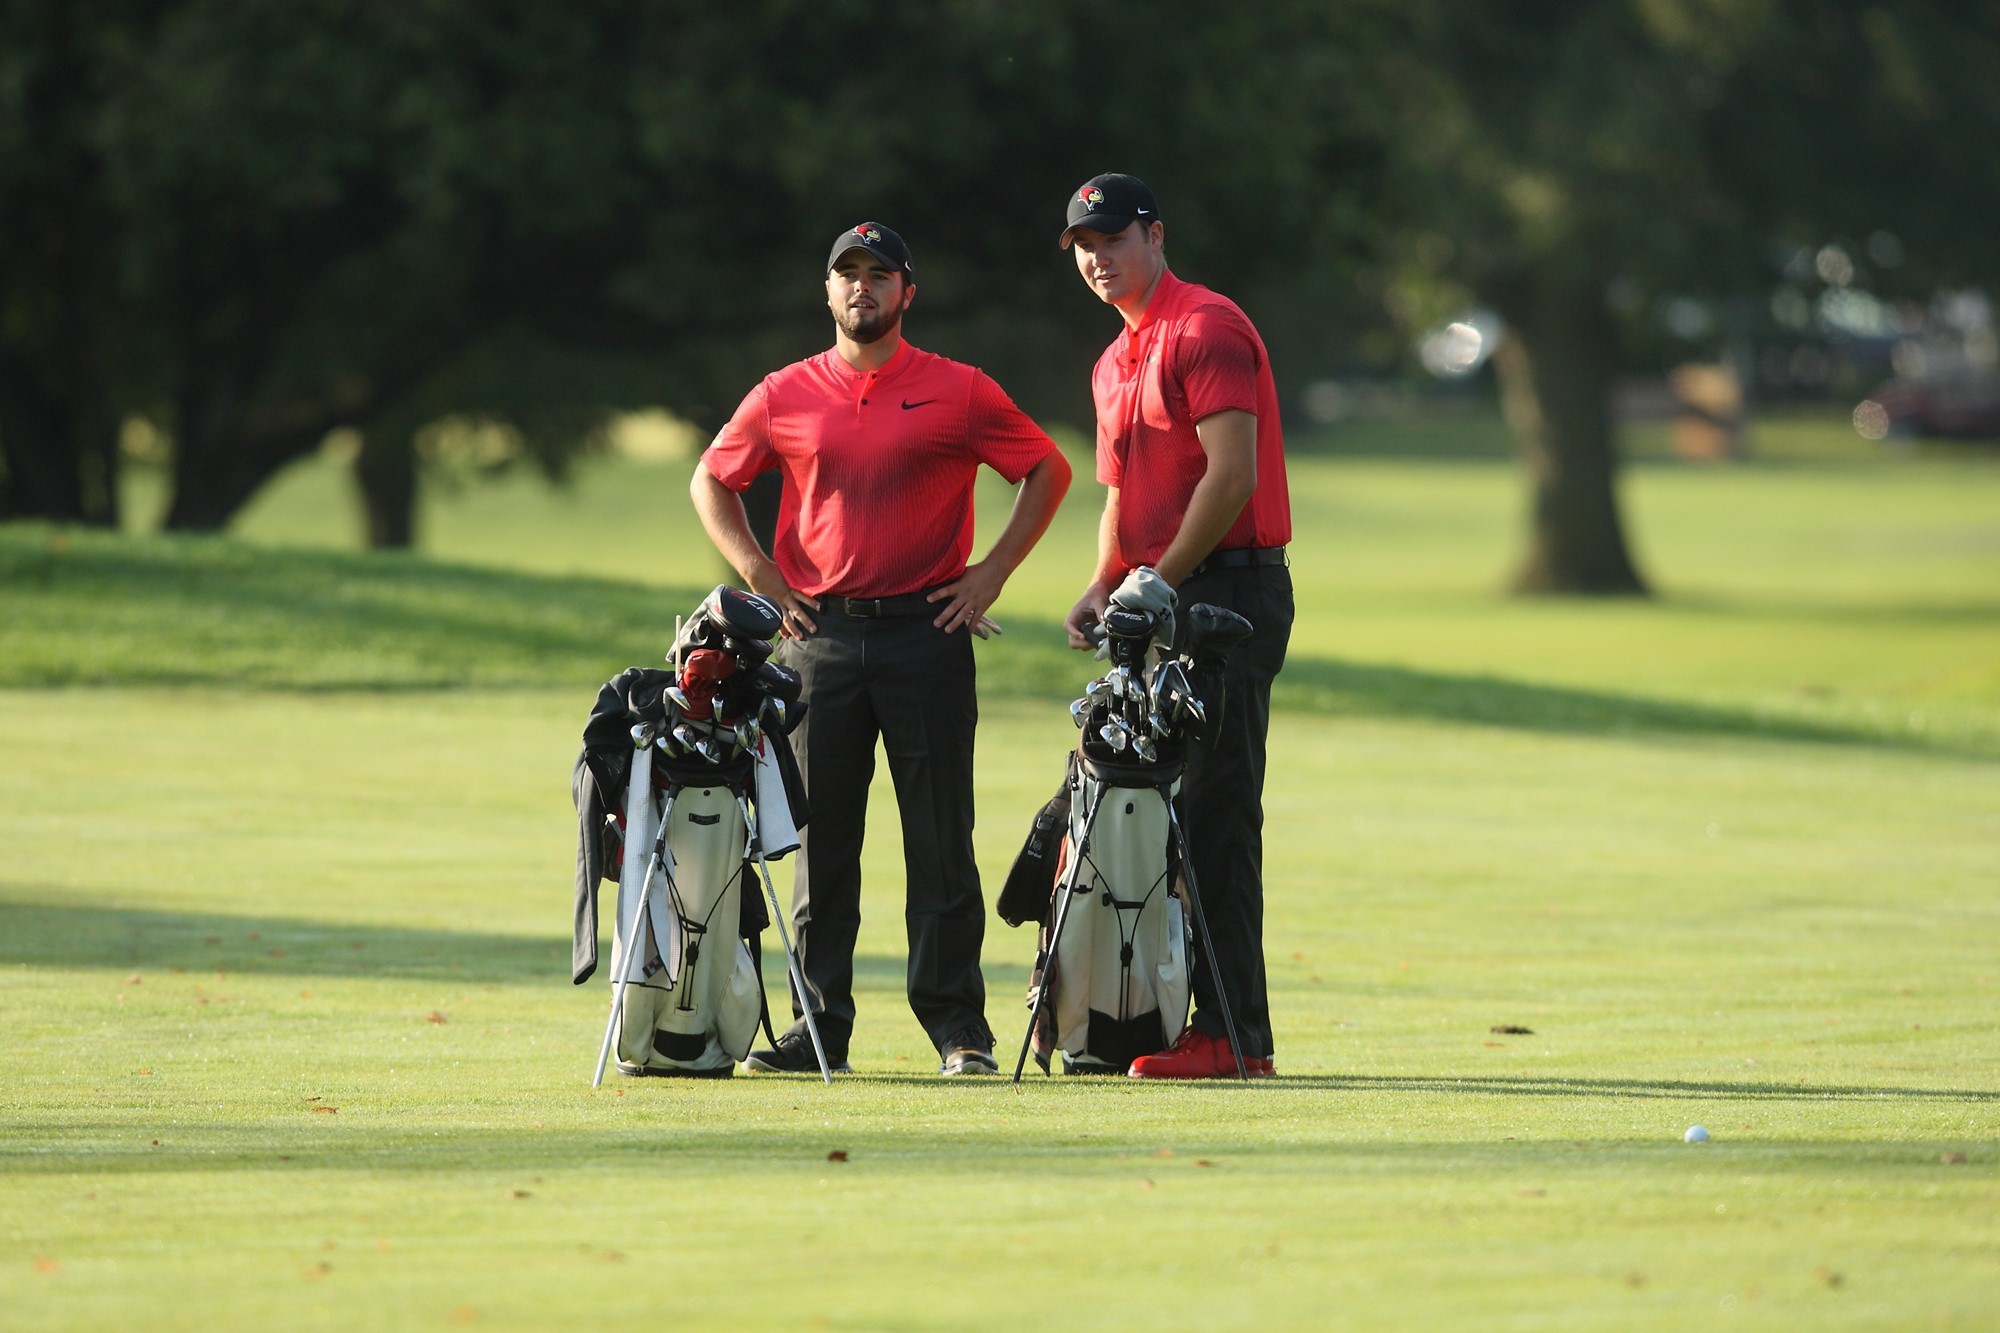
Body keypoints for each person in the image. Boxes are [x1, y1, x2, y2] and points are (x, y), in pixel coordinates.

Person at [691, 221, 1072, 1076]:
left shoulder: (960, 390)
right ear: (827, 292)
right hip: (815, 638)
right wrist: (759, 572)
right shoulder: (785, 391)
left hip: (925, 633)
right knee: (820, 846)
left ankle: (958, 1027)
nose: (861, 288)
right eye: (846, 274)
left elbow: (1047, 469)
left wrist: (993, 573)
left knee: (940, 835)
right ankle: (817, 1027)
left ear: (908, 292)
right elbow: (712, 478)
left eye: (879, 275)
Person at [1058, 174, 1293, 1079]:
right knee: (1154, 818)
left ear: (1155, 236)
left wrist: (1156, 578)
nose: (1097, 258)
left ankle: (1236, 1038)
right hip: (1159, 598)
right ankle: (1172, 1017)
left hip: (1226, 596)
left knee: (1217, 816)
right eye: (1084, 246)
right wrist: (1105, 579)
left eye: (1113, 239)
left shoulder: (1208, 328)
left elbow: (1229, 476)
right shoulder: (1113, 358)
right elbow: (1122, 490)